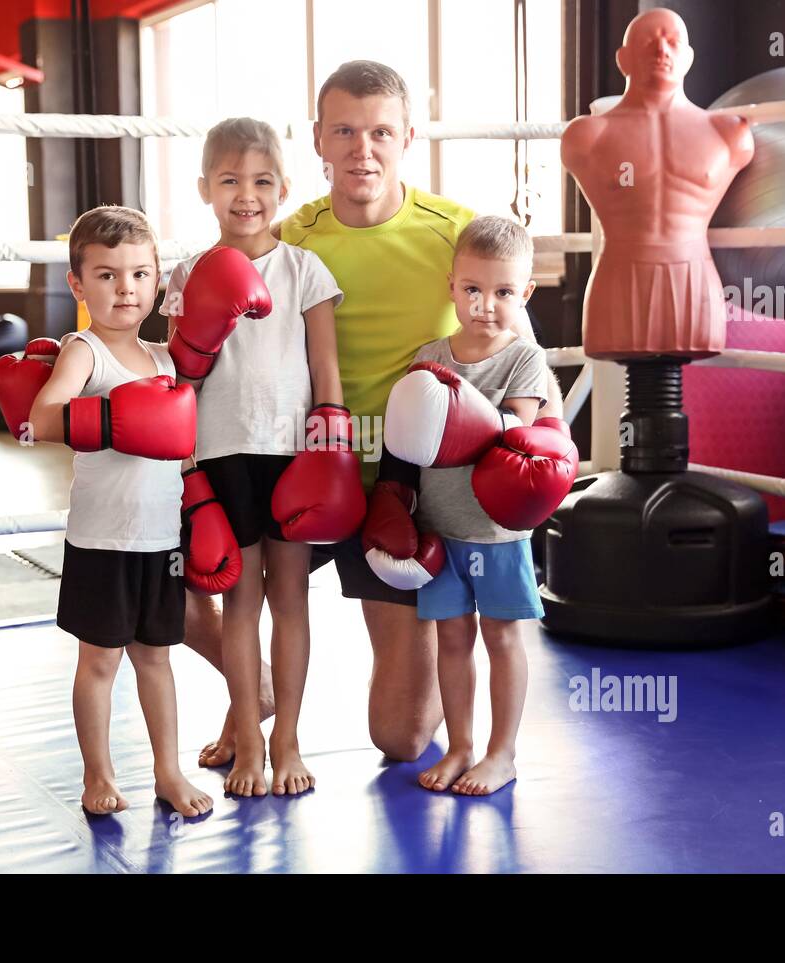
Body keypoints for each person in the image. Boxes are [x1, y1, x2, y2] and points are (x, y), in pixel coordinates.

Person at [187, 60, 542, 766]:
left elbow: (521, 352)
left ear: (409, 136)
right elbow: (206, 336)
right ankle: (249, 688)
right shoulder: (284, 241)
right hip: (295, 468)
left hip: (404, 492)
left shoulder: (458, 233)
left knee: (402, 737)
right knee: (166, 577)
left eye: (380, 131)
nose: (362, 149)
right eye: (344, 130)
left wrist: (530, 442)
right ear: (317, 138)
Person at [0, 205, 213, 817]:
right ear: (78, 284)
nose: (126, 288)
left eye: (141, 274)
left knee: (156, 659)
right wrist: (117, 419)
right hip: (101, 541)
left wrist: (205, 509)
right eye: (109, 275)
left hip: (160, 538)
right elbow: (39, 420)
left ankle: (168, 772)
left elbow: (183, 449)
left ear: (158, 280)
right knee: (99, 661)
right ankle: (98, 774)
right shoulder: (84, 352)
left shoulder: (167, 360)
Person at [163, 117, 356, 797]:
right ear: (204, 189)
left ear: (284, 187)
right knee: (240, 603)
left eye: (262, 181)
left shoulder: (304, 268)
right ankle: (249, 737)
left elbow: (325, 367)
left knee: (293, 600)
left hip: (294, 454)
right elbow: (177, 381)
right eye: (230, 181)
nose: (247, 194)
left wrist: (332, 444)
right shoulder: (187, 272)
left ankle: (289, 738)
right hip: (221, 453)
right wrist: (185, 471)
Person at [370, 216, 573, 794]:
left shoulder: (524, 359)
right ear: (452, 286)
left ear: (526, 293)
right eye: (474, 290)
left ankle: (502, 752)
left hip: (496, 533)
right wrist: (395, 504)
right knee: (452, 639)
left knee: (503, 637)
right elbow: (407, 445)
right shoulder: (429, 356)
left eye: (504, 292)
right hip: (439, 529)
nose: (486, 306)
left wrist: (451, 411)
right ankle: (460, 745)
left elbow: (516, 440)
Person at [560, 7, 753, 360]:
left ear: (688, 57)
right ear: (623, 59)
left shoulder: (726, 133)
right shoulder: (588, 135)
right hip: (618, 277)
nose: (661, 50)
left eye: (673, 42)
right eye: (648, 41)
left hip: (695, 276)